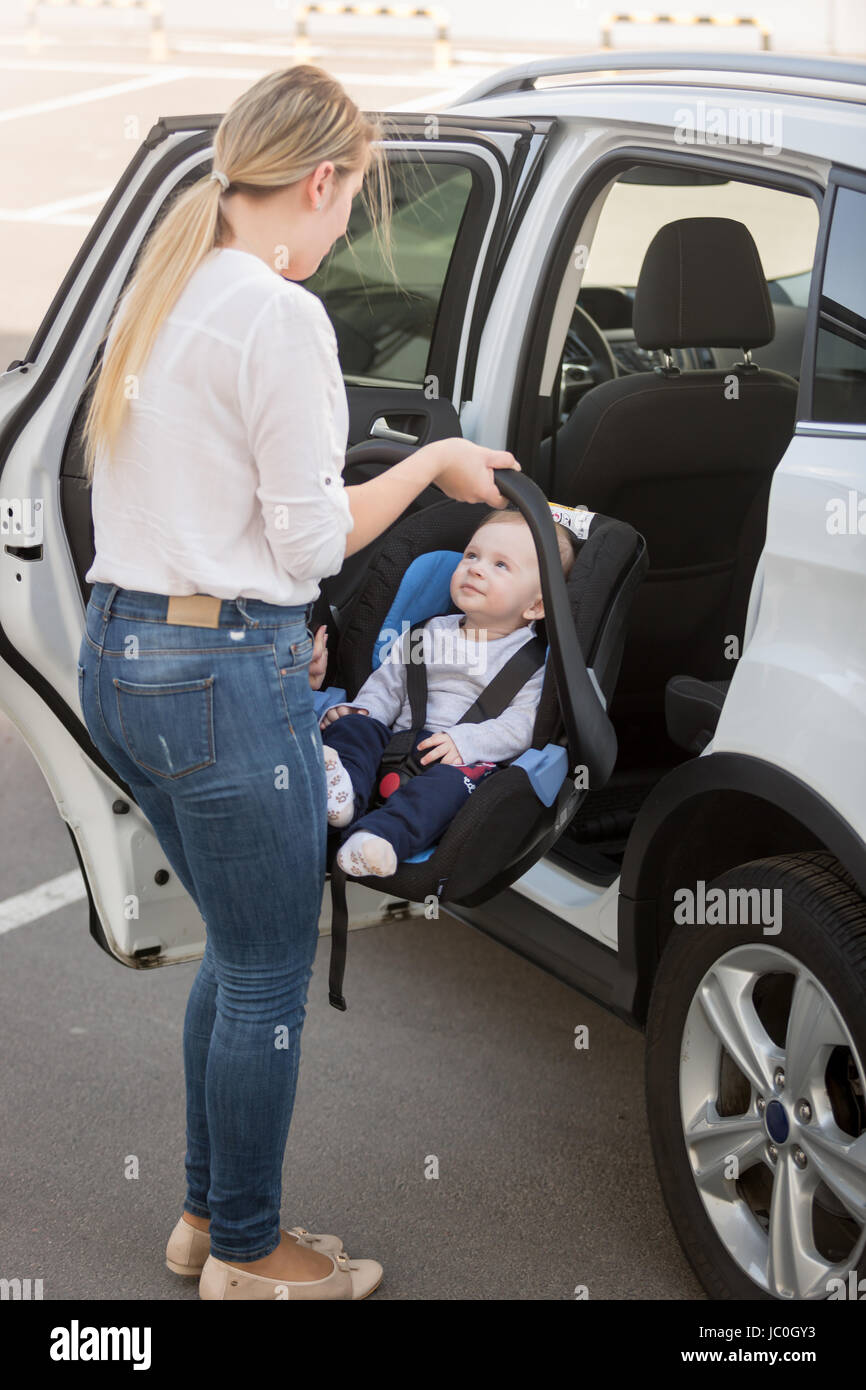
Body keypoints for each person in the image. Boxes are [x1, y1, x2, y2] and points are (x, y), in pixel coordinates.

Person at [75, 64, 521, 1302]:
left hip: (123, 655)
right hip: (217, 677)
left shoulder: (169, 288)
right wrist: (432, 460)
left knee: (239, 947)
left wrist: (271, 619)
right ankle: (249, 1254)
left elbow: (204, 513)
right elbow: (314, 541)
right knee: (266, 968)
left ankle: (206, 1215)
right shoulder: (280, 316)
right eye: (349, 204)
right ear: (318, 181)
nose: (341, 231)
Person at [319, 509, 576, 878]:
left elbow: (522, 726)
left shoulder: (534, 664)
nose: (476, 568)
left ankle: (377, 838)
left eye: (501, 565)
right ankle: (342, 794)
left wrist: (467, 741)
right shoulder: (425, 633)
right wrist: (363, 712)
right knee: (353, 727)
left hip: (460, 761)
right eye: (472, 555)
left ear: (535, 605)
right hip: (396, 739)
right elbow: (388, 688)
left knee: (450, 788)